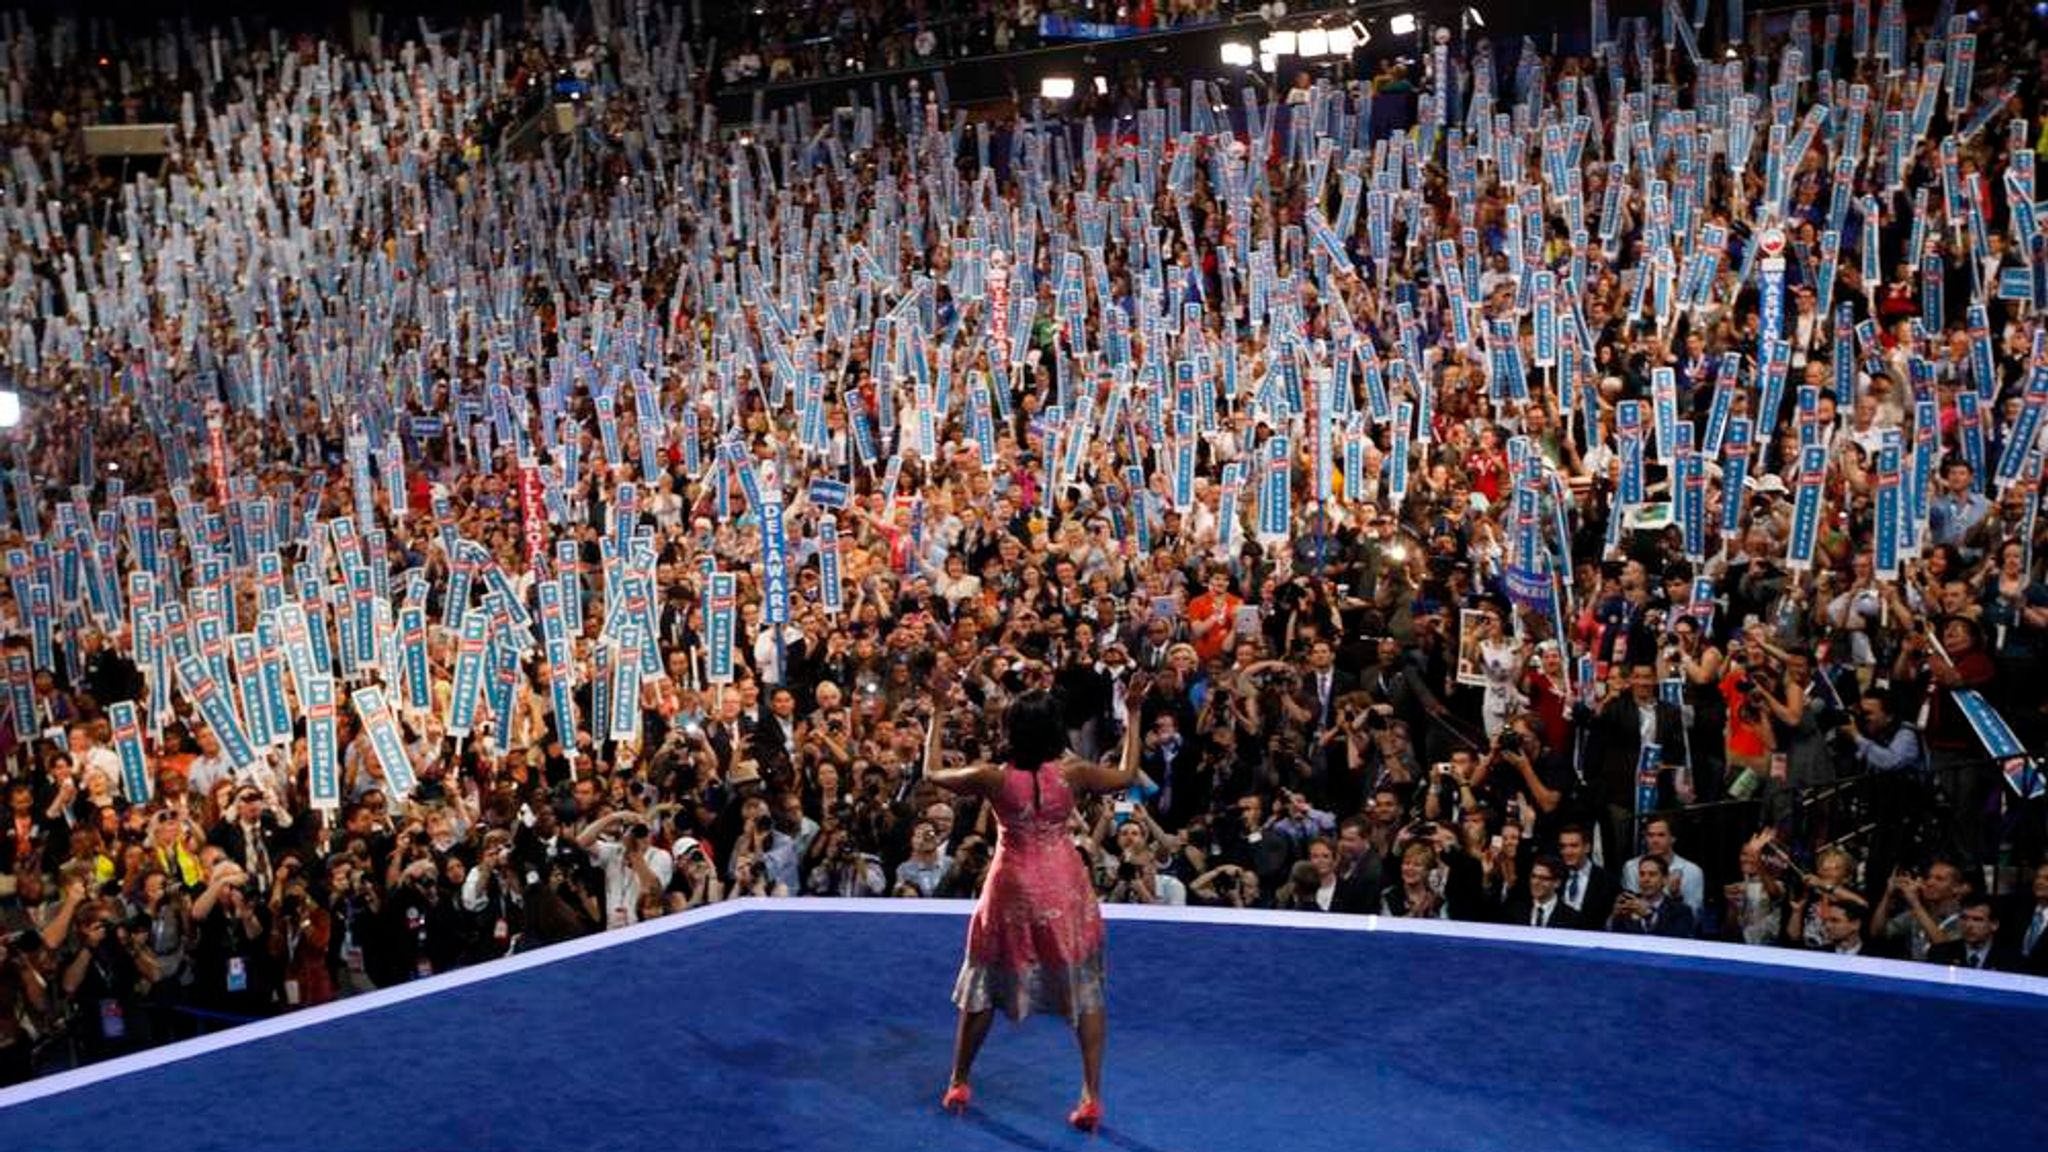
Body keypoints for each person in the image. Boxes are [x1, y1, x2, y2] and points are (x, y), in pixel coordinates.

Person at [927, 674, 1149, 1131]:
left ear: (1011, 729)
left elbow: (931, 772)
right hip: (1063, 885)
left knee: (985, 984)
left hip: (1010, 887)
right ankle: (1090, 1094)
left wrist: (937, 710)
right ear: (1055, 730)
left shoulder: (991, 777)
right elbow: (1127, 774)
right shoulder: (1074, 773)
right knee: (1085, 989)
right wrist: (1134, 711)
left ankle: (959, 1080)